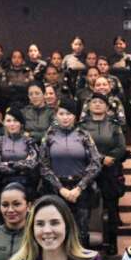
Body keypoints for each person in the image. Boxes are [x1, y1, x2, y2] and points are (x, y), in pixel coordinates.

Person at [39, 98, 100, 248]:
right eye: (61, 114)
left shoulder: (83, 135)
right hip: (56, 189)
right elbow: (43, 165)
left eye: (69, 114)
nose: (65, 117)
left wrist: (79, 188)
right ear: (56, 116)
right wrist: (61, 189)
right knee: (57, 229)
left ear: (75, 117)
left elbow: (95, 163)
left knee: (82, 231)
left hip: (81, 190)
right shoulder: (49, 136)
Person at [81, 93, 127, 255]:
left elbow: (121, 147)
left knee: (111, 208)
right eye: (94, 102)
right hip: (87, 171)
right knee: (85, 207)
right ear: (89, 106)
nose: (98, 105)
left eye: (101, 102)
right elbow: (81, 147)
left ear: (107, 107)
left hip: (110, 170)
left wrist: (110, 158)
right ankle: (84, 242)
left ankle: (112, 242)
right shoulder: (82, 126)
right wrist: (100, 158)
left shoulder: (114, 125)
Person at [0, 107, 38, 200]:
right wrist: (20, 165)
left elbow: (32, 164)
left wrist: (8, 164)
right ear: (4, 123)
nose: (12, 124)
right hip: (3, 185)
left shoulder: (29, 141)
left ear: (21, 124)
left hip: (26, 185)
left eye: (15, 121)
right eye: (9, 121)